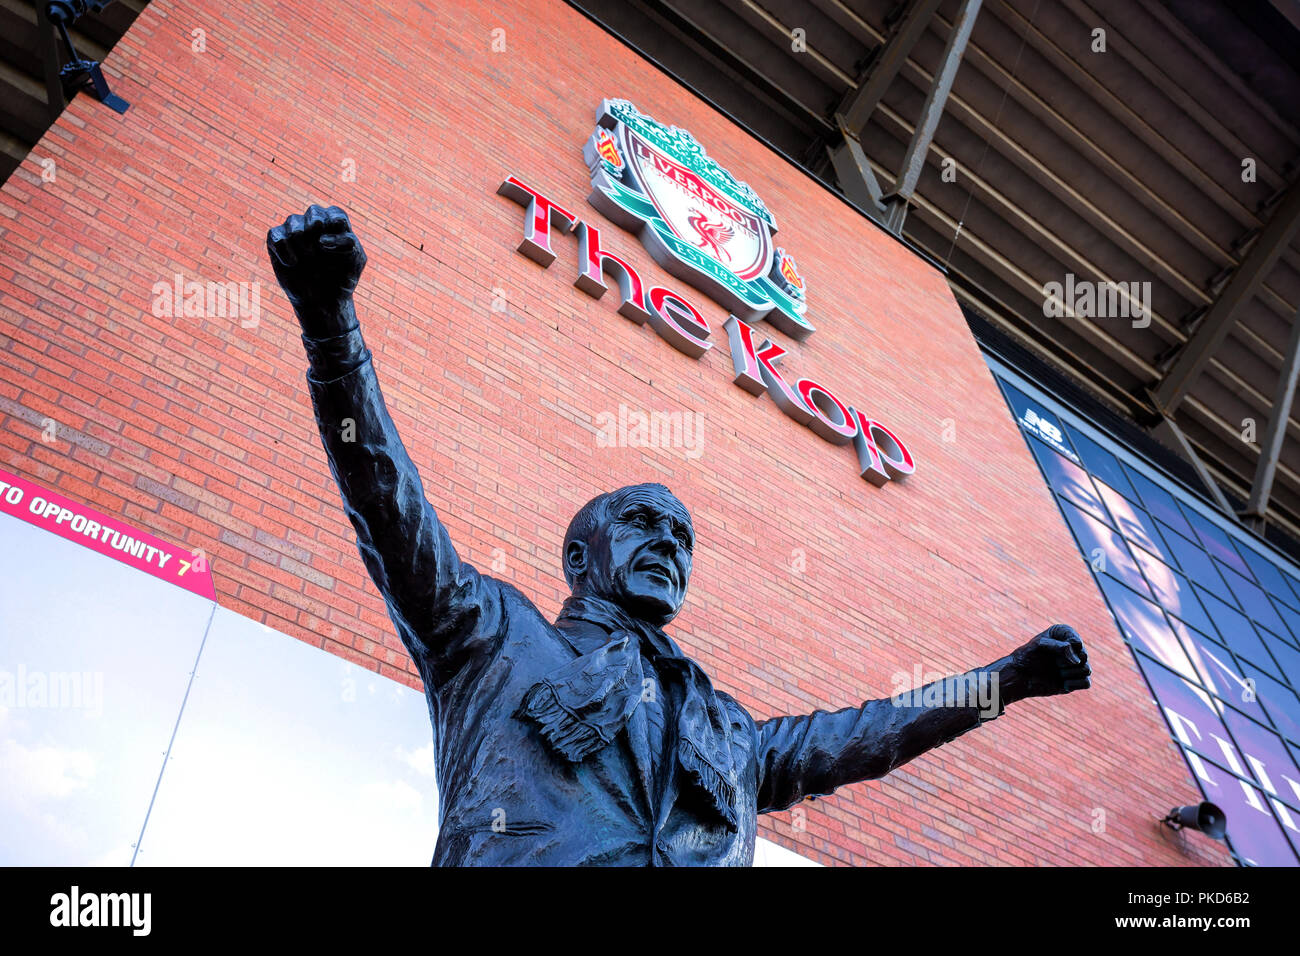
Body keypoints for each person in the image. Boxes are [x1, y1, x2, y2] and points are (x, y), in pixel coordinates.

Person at [266, 204, 1092, 866]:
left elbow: (867, 737)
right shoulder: (491, 635)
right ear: (578, 559)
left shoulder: (727, 733)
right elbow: (388, 506)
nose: (670, 543)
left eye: (684, 536)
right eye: (642, 523)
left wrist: (1006, 680)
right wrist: (330, 327)